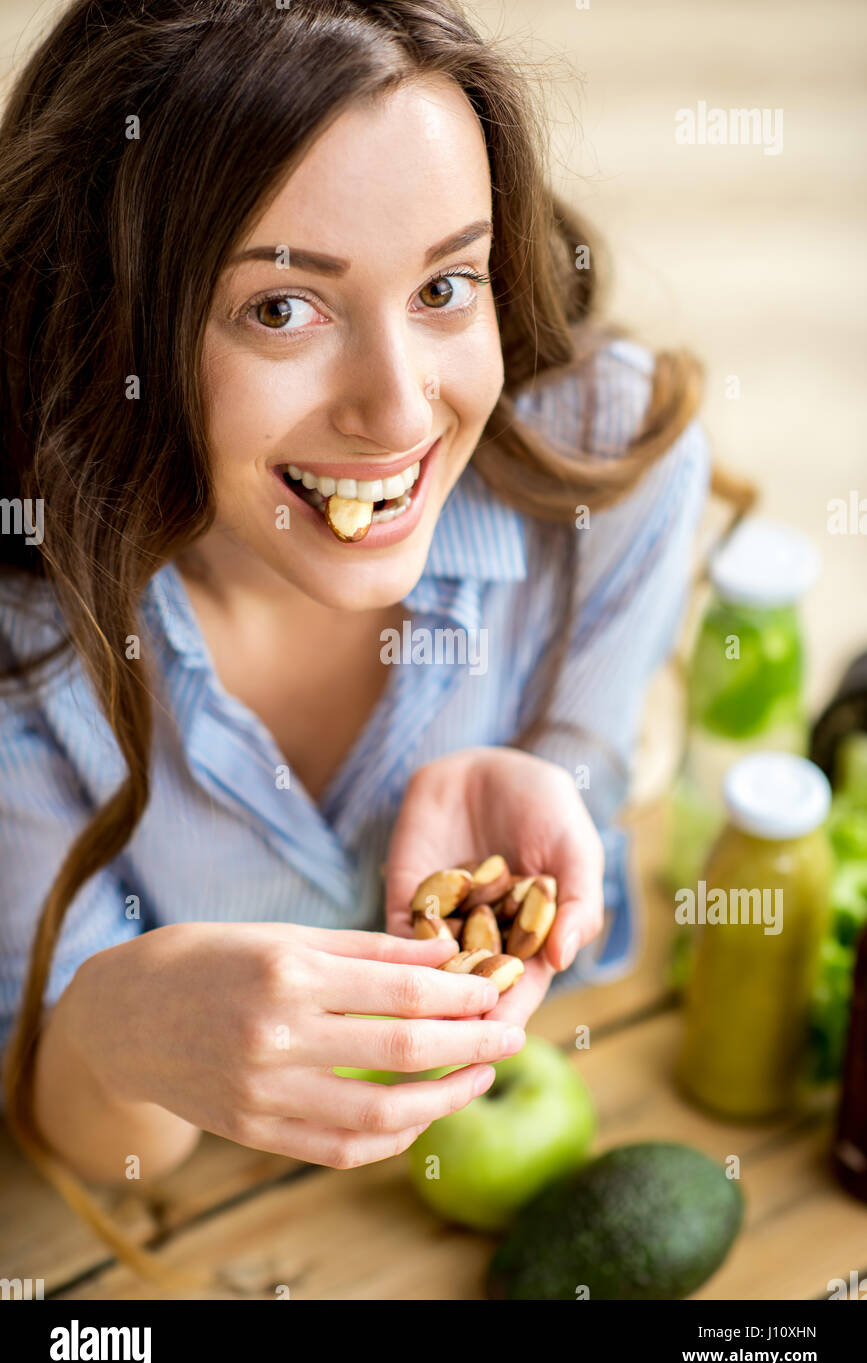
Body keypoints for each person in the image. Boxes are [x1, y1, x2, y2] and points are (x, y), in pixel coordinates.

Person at [0, 0, 710, 1282]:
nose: (399, 407)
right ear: (112, 328)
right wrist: (112, 1023)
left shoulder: (609, 469)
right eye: (282, 308)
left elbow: (593, 793)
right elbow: (92, 1146)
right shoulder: (27, 642)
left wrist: (558, 783)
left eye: (447, 285)